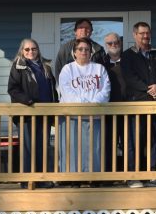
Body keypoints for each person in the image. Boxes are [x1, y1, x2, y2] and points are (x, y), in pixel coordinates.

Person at [121, 21, 156, 187]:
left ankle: (153, 174)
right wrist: (148, 88)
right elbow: (129, 77)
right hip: (137, 104)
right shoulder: (128, 55)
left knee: (155, 140)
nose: (145, 36)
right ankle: (134, 176)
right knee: (135, 140)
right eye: (142, 33)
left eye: (147, 33)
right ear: (135, 35)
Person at [7, 38, 57, 186]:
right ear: (22, 51)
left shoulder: (45, 66)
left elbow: (52, 89)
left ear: (38, 50)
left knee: (42, 147)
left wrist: (55, 105)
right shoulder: (18, 66)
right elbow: (13, 89)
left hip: (45, 113)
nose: (30, 52)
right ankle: (27, 180)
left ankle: (42, 180)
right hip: (27, 114)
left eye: (33, 49)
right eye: (27, 49)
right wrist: (28, 101)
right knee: (28, 148)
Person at [58, 37, 110, 174]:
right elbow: (66, 91)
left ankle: (94, 177)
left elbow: (105, 91)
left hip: (95, 117)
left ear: (91, 52)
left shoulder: (99, 69)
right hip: (72, 118)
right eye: (80, 49)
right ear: (74, 52)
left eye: (87, 49)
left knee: (94, 149)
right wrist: (84, 105)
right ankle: (72, 177)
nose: (84, 52)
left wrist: (91, 105)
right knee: (73, 149)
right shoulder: (67, 69)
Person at [100, 32, 126, 172]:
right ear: (106, 46)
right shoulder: (101, 65)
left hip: (128, 109)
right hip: (108, 110)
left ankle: (129, 174)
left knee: (129, 144)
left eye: (116, 42)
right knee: (109, 143)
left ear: (120, 44)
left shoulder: (129, 62)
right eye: (110, 43)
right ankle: (108, 174)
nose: (113, 45)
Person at [53, 18, 103, 83]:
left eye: (87, 28)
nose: (84, 30)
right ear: (75, 31)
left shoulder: (98, 49)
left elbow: (103, 72)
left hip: (93, 89)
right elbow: (58, 70)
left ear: (91, 32)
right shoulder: (65, 49)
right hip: (71, 89)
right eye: (81, 27)